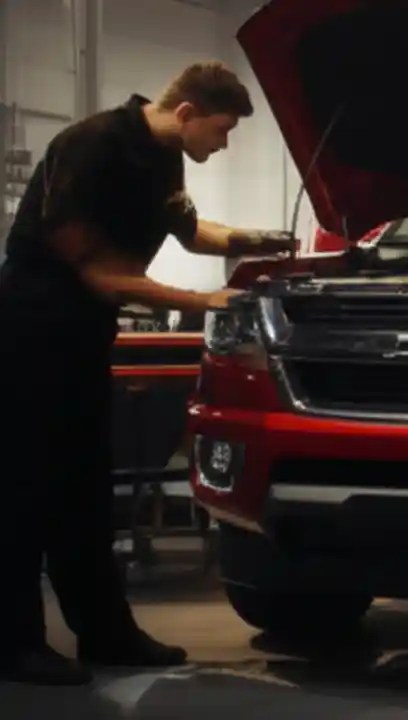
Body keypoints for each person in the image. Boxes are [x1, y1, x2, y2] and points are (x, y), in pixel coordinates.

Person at [0, 61, 296, 685]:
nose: (224, 144)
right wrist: (205, 301)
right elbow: (101, 275)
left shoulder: (164, 158)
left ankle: (106, 634)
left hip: (82, 338)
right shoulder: (90, 146)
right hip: (30, 334)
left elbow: (190, 231)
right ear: (186, 112)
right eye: (221, 130)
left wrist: (265, 241)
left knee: (85, 489)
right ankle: (13, 644)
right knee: (26, 491)